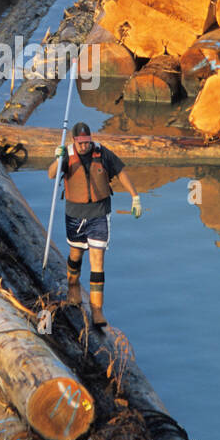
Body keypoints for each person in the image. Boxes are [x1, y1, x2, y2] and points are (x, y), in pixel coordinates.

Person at [47, 121, 141, 327]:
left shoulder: (102, 153)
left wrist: (135, 196)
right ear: (74, 141)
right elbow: (51, 174)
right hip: (75, 214)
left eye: (87, 142)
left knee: (97, 261)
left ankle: (97, 310)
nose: (84, 146)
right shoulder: (68, 154)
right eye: (80, 143)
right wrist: (58, 158)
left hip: (99, 213)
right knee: (76, 254)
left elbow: (121, 172)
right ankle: (73, 288)